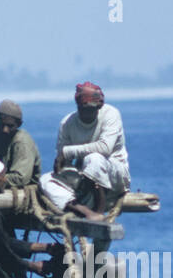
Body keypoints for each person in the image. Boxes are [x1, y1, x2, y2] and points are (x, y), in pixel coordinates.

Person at [39, 81, 130, 216]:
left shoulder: (111, 114)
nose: (86, 113)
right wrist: (64, 171)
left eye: (90, 109)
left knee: (93, 159)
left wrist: (66, 152)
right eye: (82, 108)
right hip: (84, 179)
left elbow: (105, 148)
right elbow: (63, 164)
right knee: (45, 180)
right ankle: (83, 210)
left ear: (99, 107)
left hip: (114, 175)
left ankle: (99, 210)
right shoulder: (67, 123)